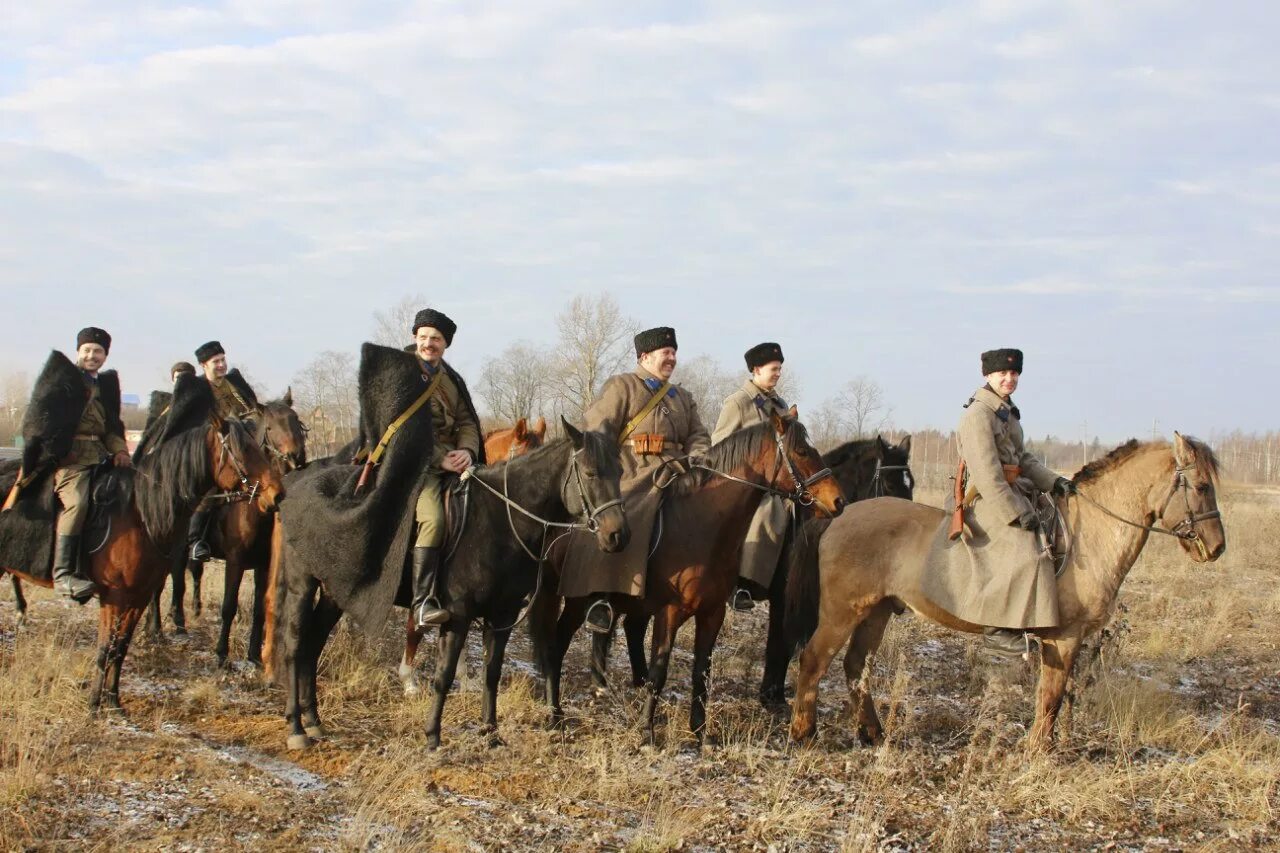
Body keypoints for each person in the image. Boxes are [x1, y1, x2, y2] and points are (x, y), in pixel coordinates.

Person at [558, 326, 712, 633]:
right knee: (628, 514)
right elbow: (596, 432)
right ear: (645, 356)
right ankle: (603, 596)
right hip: (631, 472)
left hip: (678, 471)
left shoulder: (682, 396)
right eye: (665, 353)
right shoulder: (622, 386)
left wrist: (700, 454)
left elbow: (697, 433)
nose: (672, 358)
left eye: (674, 353)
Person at [924, 348, 1076, 659]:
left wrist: (1054, 481)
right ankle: (998, 630)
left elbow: (1023, 459)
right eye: (1002, 374)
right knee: (1028, 552)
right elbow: (986, 472)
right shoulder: (979, 415)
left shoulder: (1006, 412)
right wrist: (1016, 513)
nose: (1009, 379)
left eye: (1014, 374)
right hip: (987, 497)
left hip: (1015, 490)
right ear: (988, 376)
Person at [407, 309, 484, 629]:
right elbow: (404, 428)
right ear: (415, 338)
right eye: (423, 337)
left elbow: (467, 420)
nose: (429, 344)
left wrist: (467, 450)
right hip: (414, 465)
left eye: (436, 339)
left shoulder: (451, 379)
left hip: (453, 462)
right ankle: (422, 601)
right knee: (434, 520)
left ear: (445, 344)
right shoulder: (401, 372)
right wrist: (439, 457)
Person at [50, 328, 131, 600]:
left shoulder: (105, 387)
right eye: (87, 350)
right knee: (78, 503)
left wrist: (120, 451)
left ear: (105, 356)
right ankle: (63, 575)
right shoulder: (64, 381)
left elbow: (110, 427)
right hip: (70, 460)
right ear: (78, 352)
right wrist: (60, 452)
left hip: (101, 455)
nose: (91, 355)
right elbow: (46, 420)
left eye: (97, 351)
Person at [711, 342, 790, 611]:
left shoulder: (780, 405)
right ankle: (744, 583)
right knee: (766, 512)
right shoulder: (738, 402)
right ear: (756, 370)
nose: (778, 373)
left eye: (780, 368)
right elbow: (720, 447)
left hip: (779, 482)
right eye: (773, 369)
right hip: (745, 485)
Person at [187, 341, 261, 562]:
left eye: (222, 360)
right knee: (209, 491)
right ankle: (195, 540)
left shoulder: (233, 385)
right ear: (203, 365)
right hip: (214, 453)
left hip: (243, 448)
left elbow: (252, 410)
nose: (221, 365)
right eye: (215, 362)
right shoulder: (198, 390)